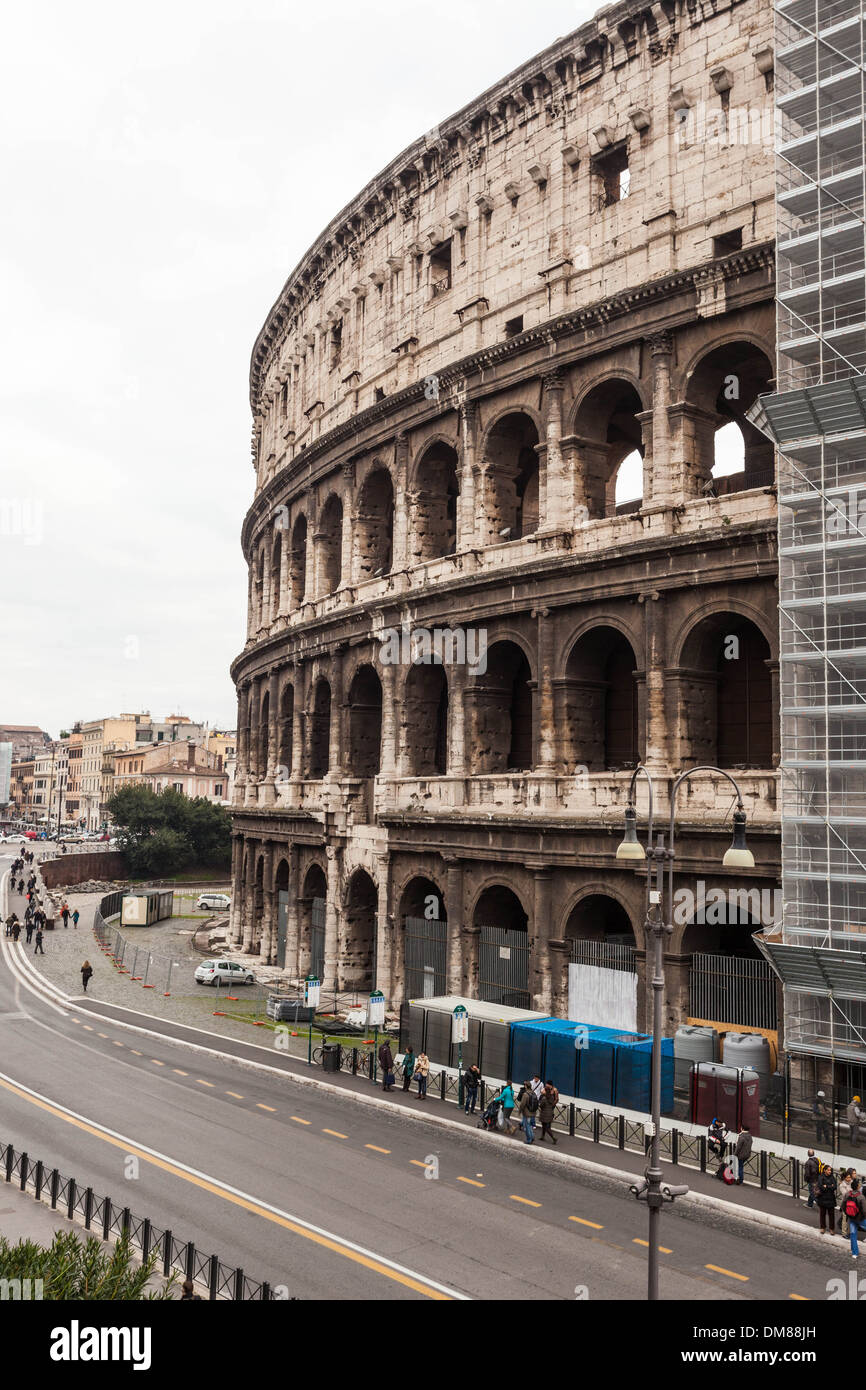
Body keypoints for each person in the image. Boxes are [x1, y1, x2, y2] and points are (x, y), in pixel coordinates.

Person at [844, 1177, 866, 1257]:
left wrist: (848, 1214)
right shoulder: (861, 1197)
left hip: (851, 1218)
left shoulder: (847, 1194)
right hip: (860, 1219)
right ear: (858, 1187)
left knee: (853, 1235)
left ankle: (855, 1253)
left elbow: (843, 1206)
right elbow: (864, 1211)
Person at [816, 1163, 838, 1234]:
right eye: (828, 1170)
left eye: (830, 1170)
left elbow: (835, 1187)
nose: (830, 1171)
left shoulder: (832, 1177)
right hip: (822, 1198)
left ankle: (832, 1229)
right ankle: (823, 1227)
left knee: (831, 1215)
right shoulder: (820, 1177)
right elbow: (821, 1187)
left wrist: (826, 1186)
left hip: (831, 1199)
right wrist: (830, 1186)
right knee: (822, 1214)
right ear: (824, 1170)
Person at [515, 1080, 538, 1144]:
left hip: (527, 1113)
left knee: (526, 1126)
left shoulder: (525, 1094)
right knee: (530, 1125)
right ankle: (532, 1137)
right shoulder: (533, 1093)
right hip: (533, 1112)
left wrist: (519, 1111)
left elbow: (522, 1104)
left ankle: (529, 1139)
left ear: (525, 1086)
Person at [839, 1168, 856, 1238]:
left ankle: (851, 1232)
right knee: (845, 1219)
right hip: (845, 1204)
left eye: (850, 1177)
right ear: (844, 1178)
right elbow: (845, 1194)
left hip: (852, 1203)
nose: (849, 1179)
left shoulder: (851, 1182)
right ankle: (844, 1233)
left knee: (851, 1219)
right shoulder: (842, 1185)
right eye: (848, 1177)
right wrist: (852, 1192)